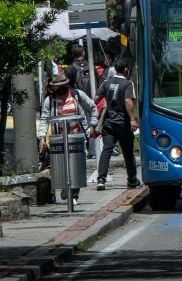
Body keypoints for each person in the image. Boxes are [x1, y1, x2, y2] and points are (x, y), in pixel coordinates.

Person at [37, 73, 98, 205]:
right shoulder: (50, 100)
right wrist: (41, 137)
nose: (58, 89)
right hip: (59, 139)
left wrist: (92, 125)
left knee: (76, 166)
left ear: (66, 85)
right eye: (56, 87)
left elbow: (93, 107)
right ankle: (66, 186)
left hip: (77, 137)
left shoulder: (77, 95)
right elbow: (44, 119)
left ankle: (74, 194)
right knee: (61, 166)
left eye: (61, 86)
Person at [95, 59, 141, 190]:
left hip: (108, 123)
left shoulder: (106, 82)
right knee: (128, 152)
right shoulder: (128, 83)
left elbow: (96, 98)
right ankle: (132, 179)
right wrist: (132, 119)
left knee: (107, 150)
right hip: (123, 123)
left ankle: (101, 179)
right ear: (126, 70)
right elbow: (128, 101)